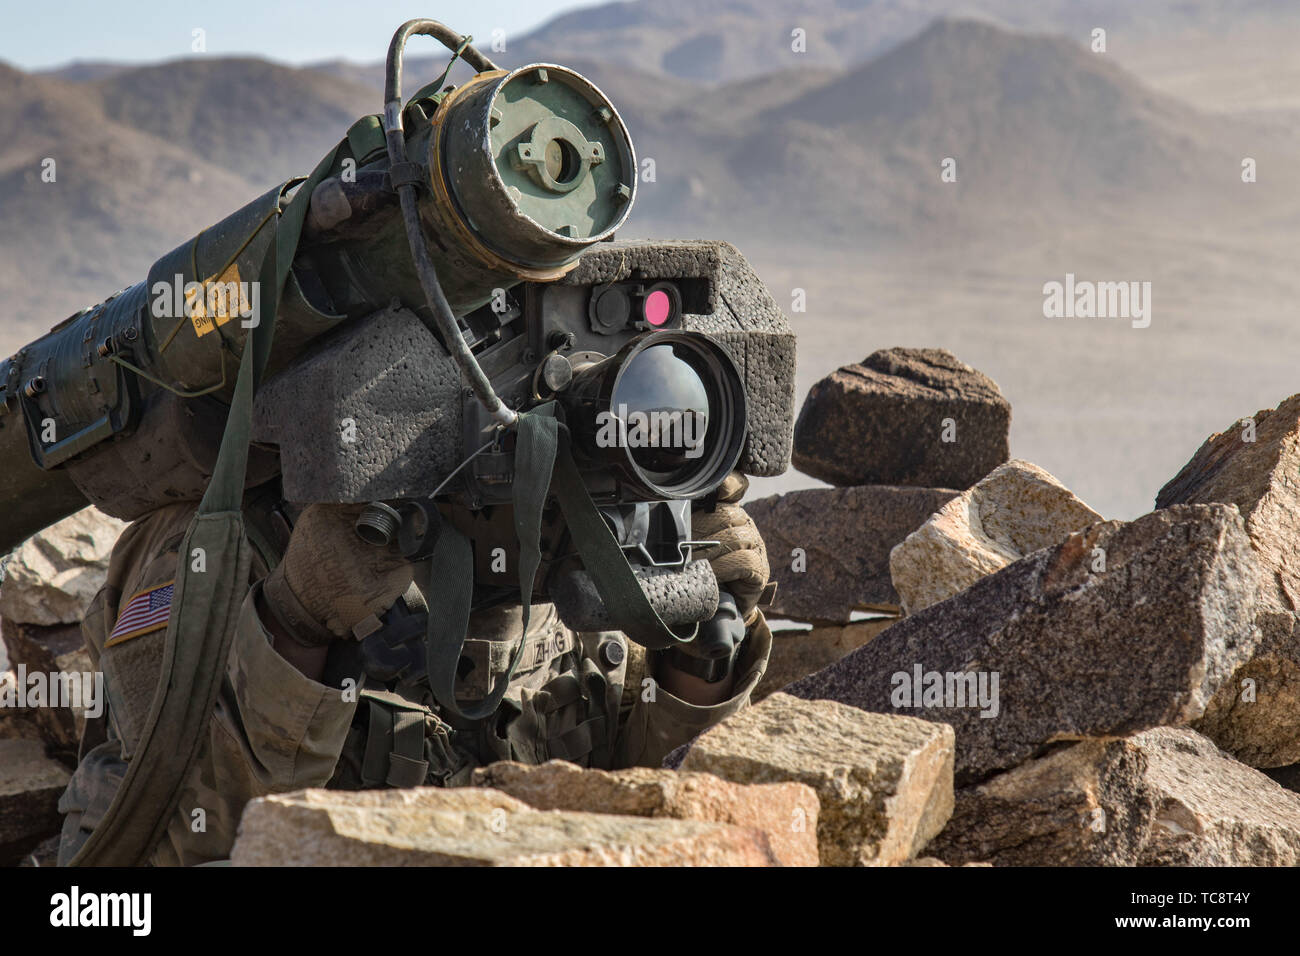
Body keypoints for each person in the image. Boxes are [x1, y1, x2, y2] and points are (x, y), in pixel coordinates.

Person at [57, 469, 772, 865]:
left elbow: (645, 805)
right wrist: (296, 621)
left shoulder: (568, 521)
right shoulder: (217, 543)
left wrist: (701, 641)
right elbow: (140, 866)